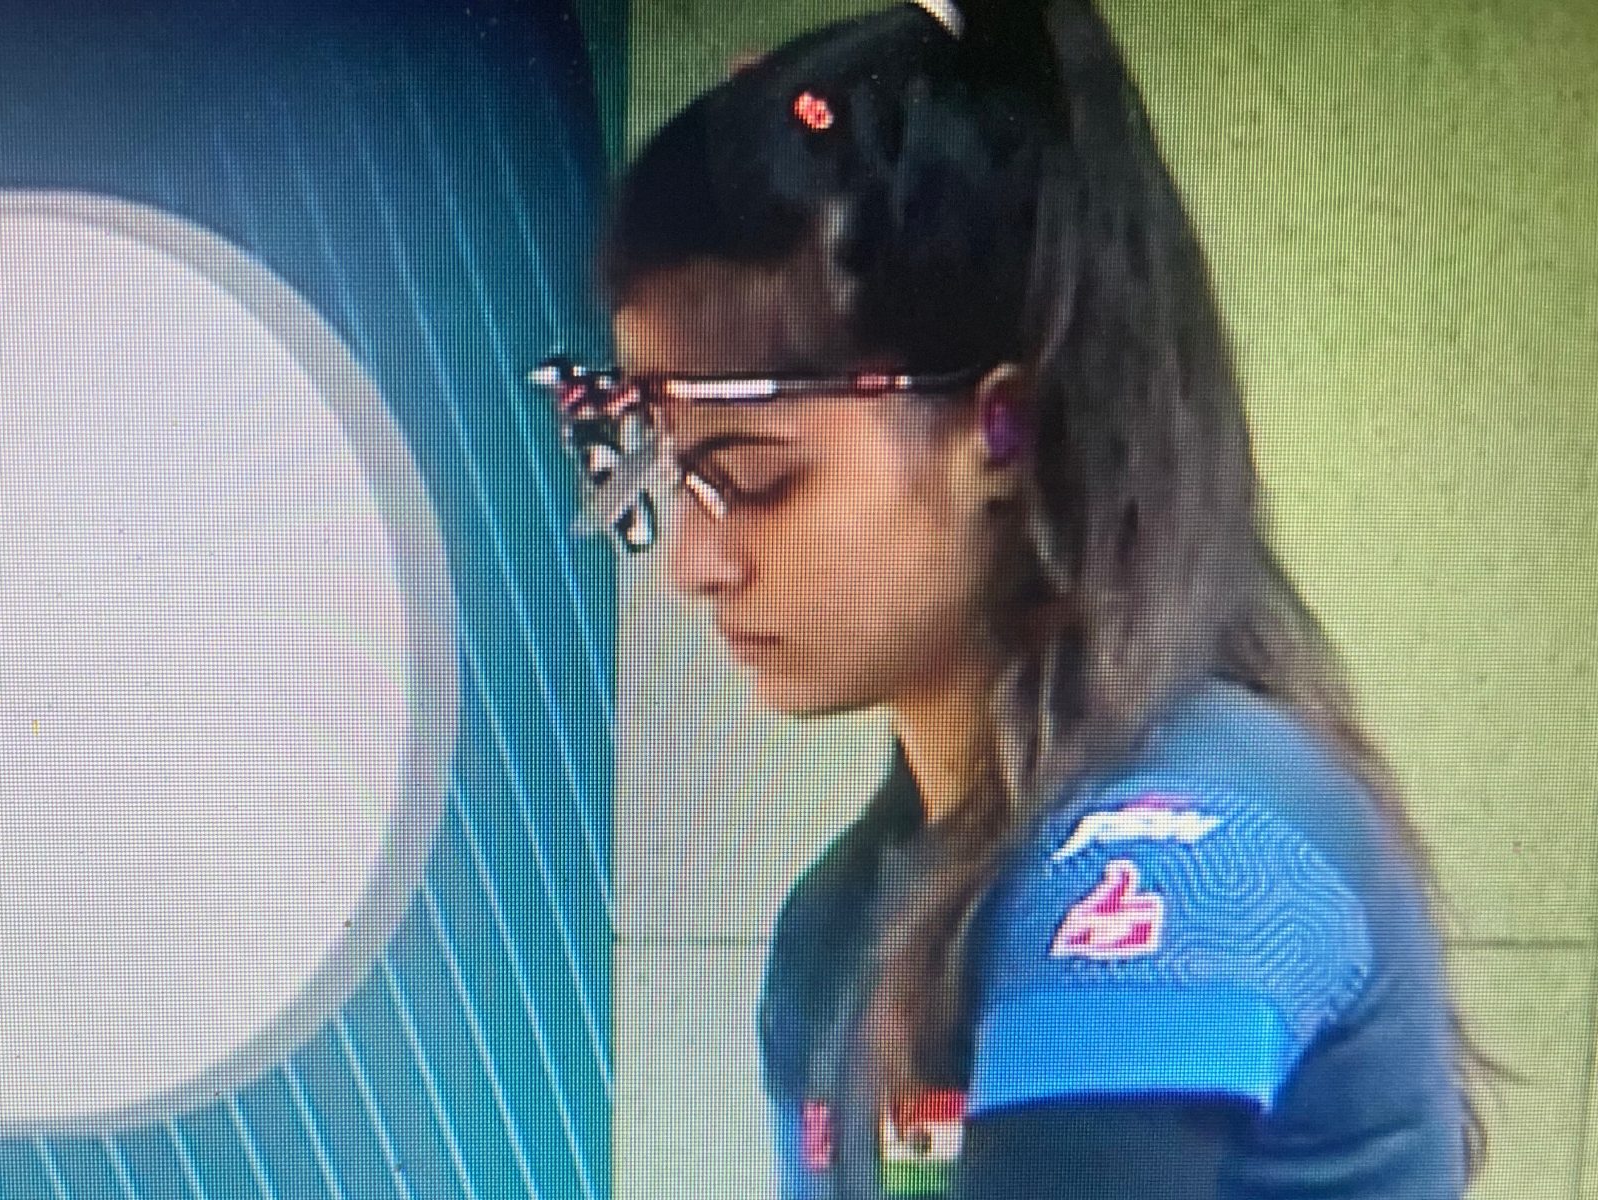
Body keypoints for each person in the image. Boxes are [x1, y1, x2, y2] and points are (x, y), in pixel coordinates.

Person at [537, 0, 1483, 1195]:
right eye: (675, 477)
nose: (694, 562)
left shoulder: (1176, 853)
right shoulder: (835, 927)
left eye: (754, 477)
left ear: (1003, 427)